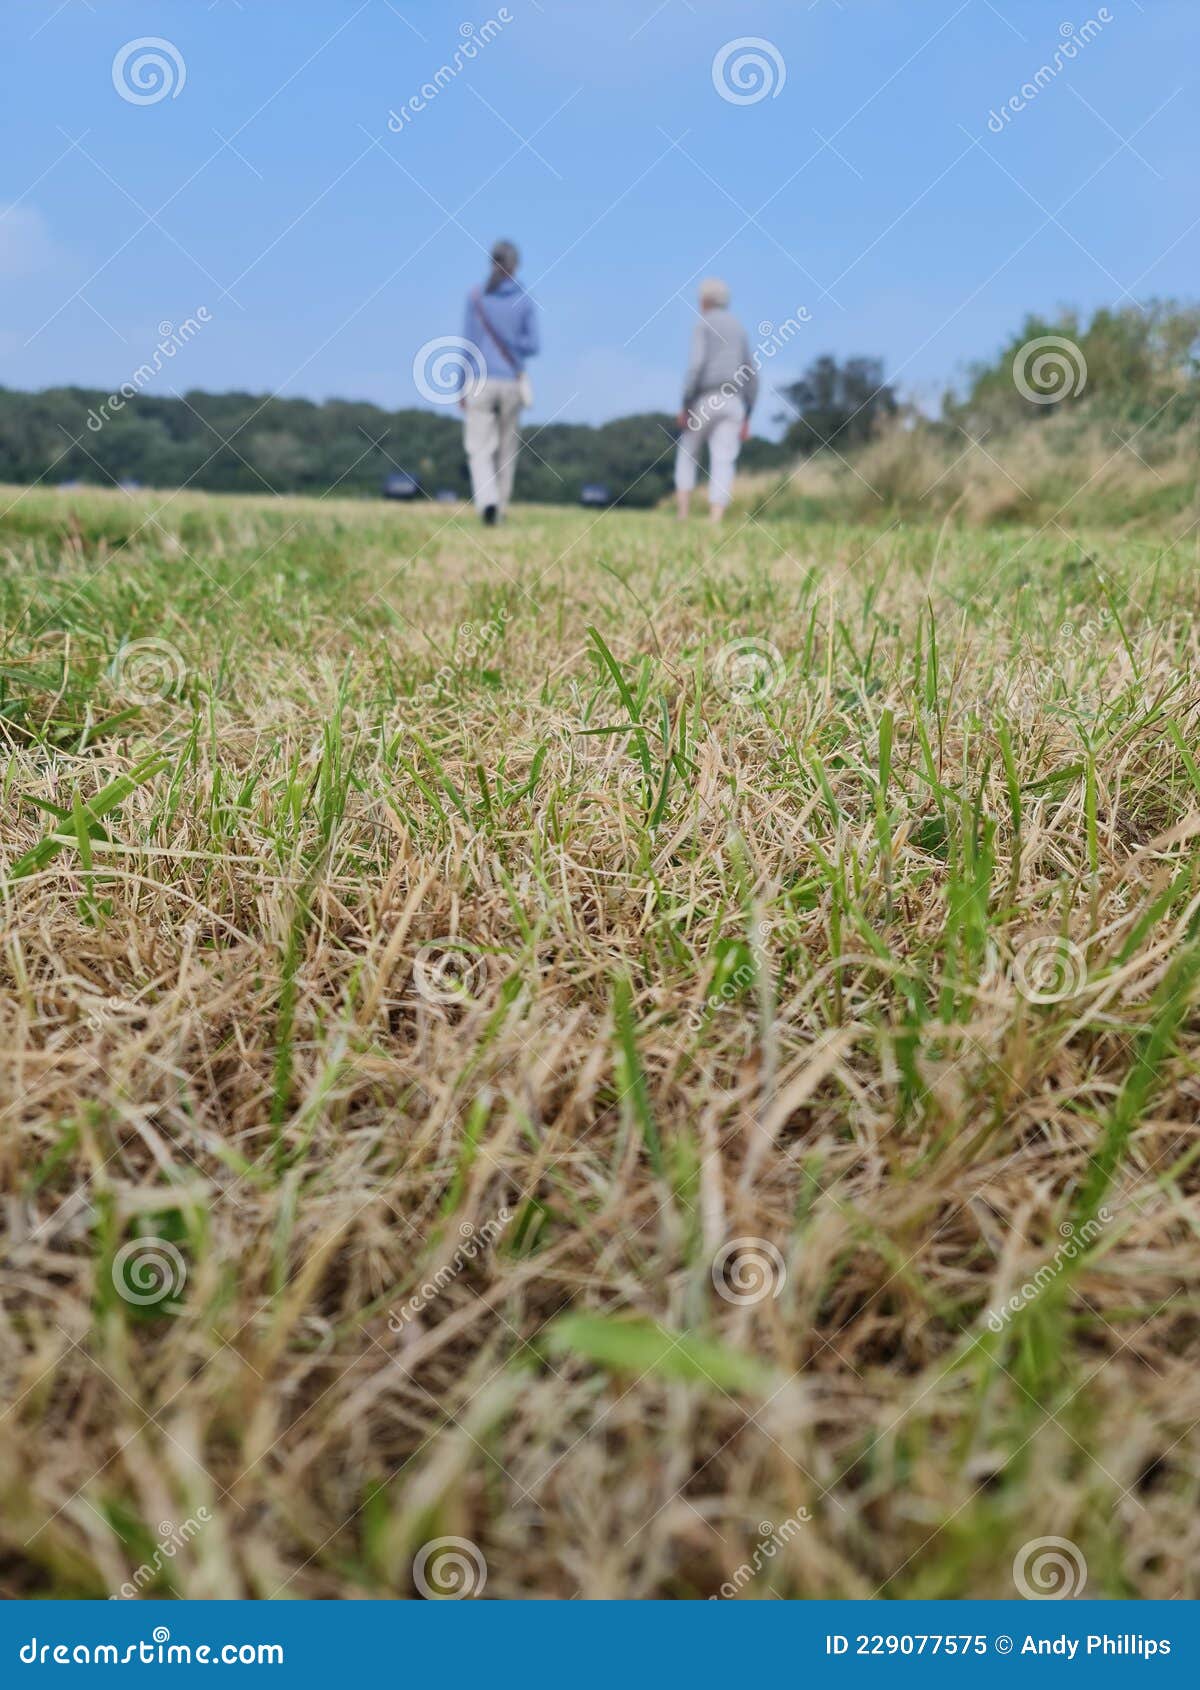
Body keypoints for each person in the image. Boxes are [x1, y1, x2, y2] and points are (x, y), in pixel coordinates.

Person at [457, 239, 539, 526]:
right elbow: (533, 345)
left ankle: (487, 500)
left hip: (478, 381)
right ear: (515, 266)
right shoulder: (525, 299)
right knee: (506, 449)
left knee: (479, 449)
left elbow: (467, 344)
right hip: (511, 381)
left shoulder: (476, 297)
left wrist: (460, 386)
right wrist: (513, 343)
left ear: (491, 263)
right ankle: (500, 509)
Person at [674, 278, 756, 524]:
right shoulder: (739, 328)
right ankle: (715, 518)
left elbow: (696, 366)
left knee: (688, 453)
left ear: (704, 300)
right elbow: (751, 372)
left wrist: (686, 405)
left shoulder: (703, 324)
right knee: (724, 459)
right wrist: (748, 413)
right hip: (735, 401)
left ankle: (683, 513)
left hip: (706, 398)